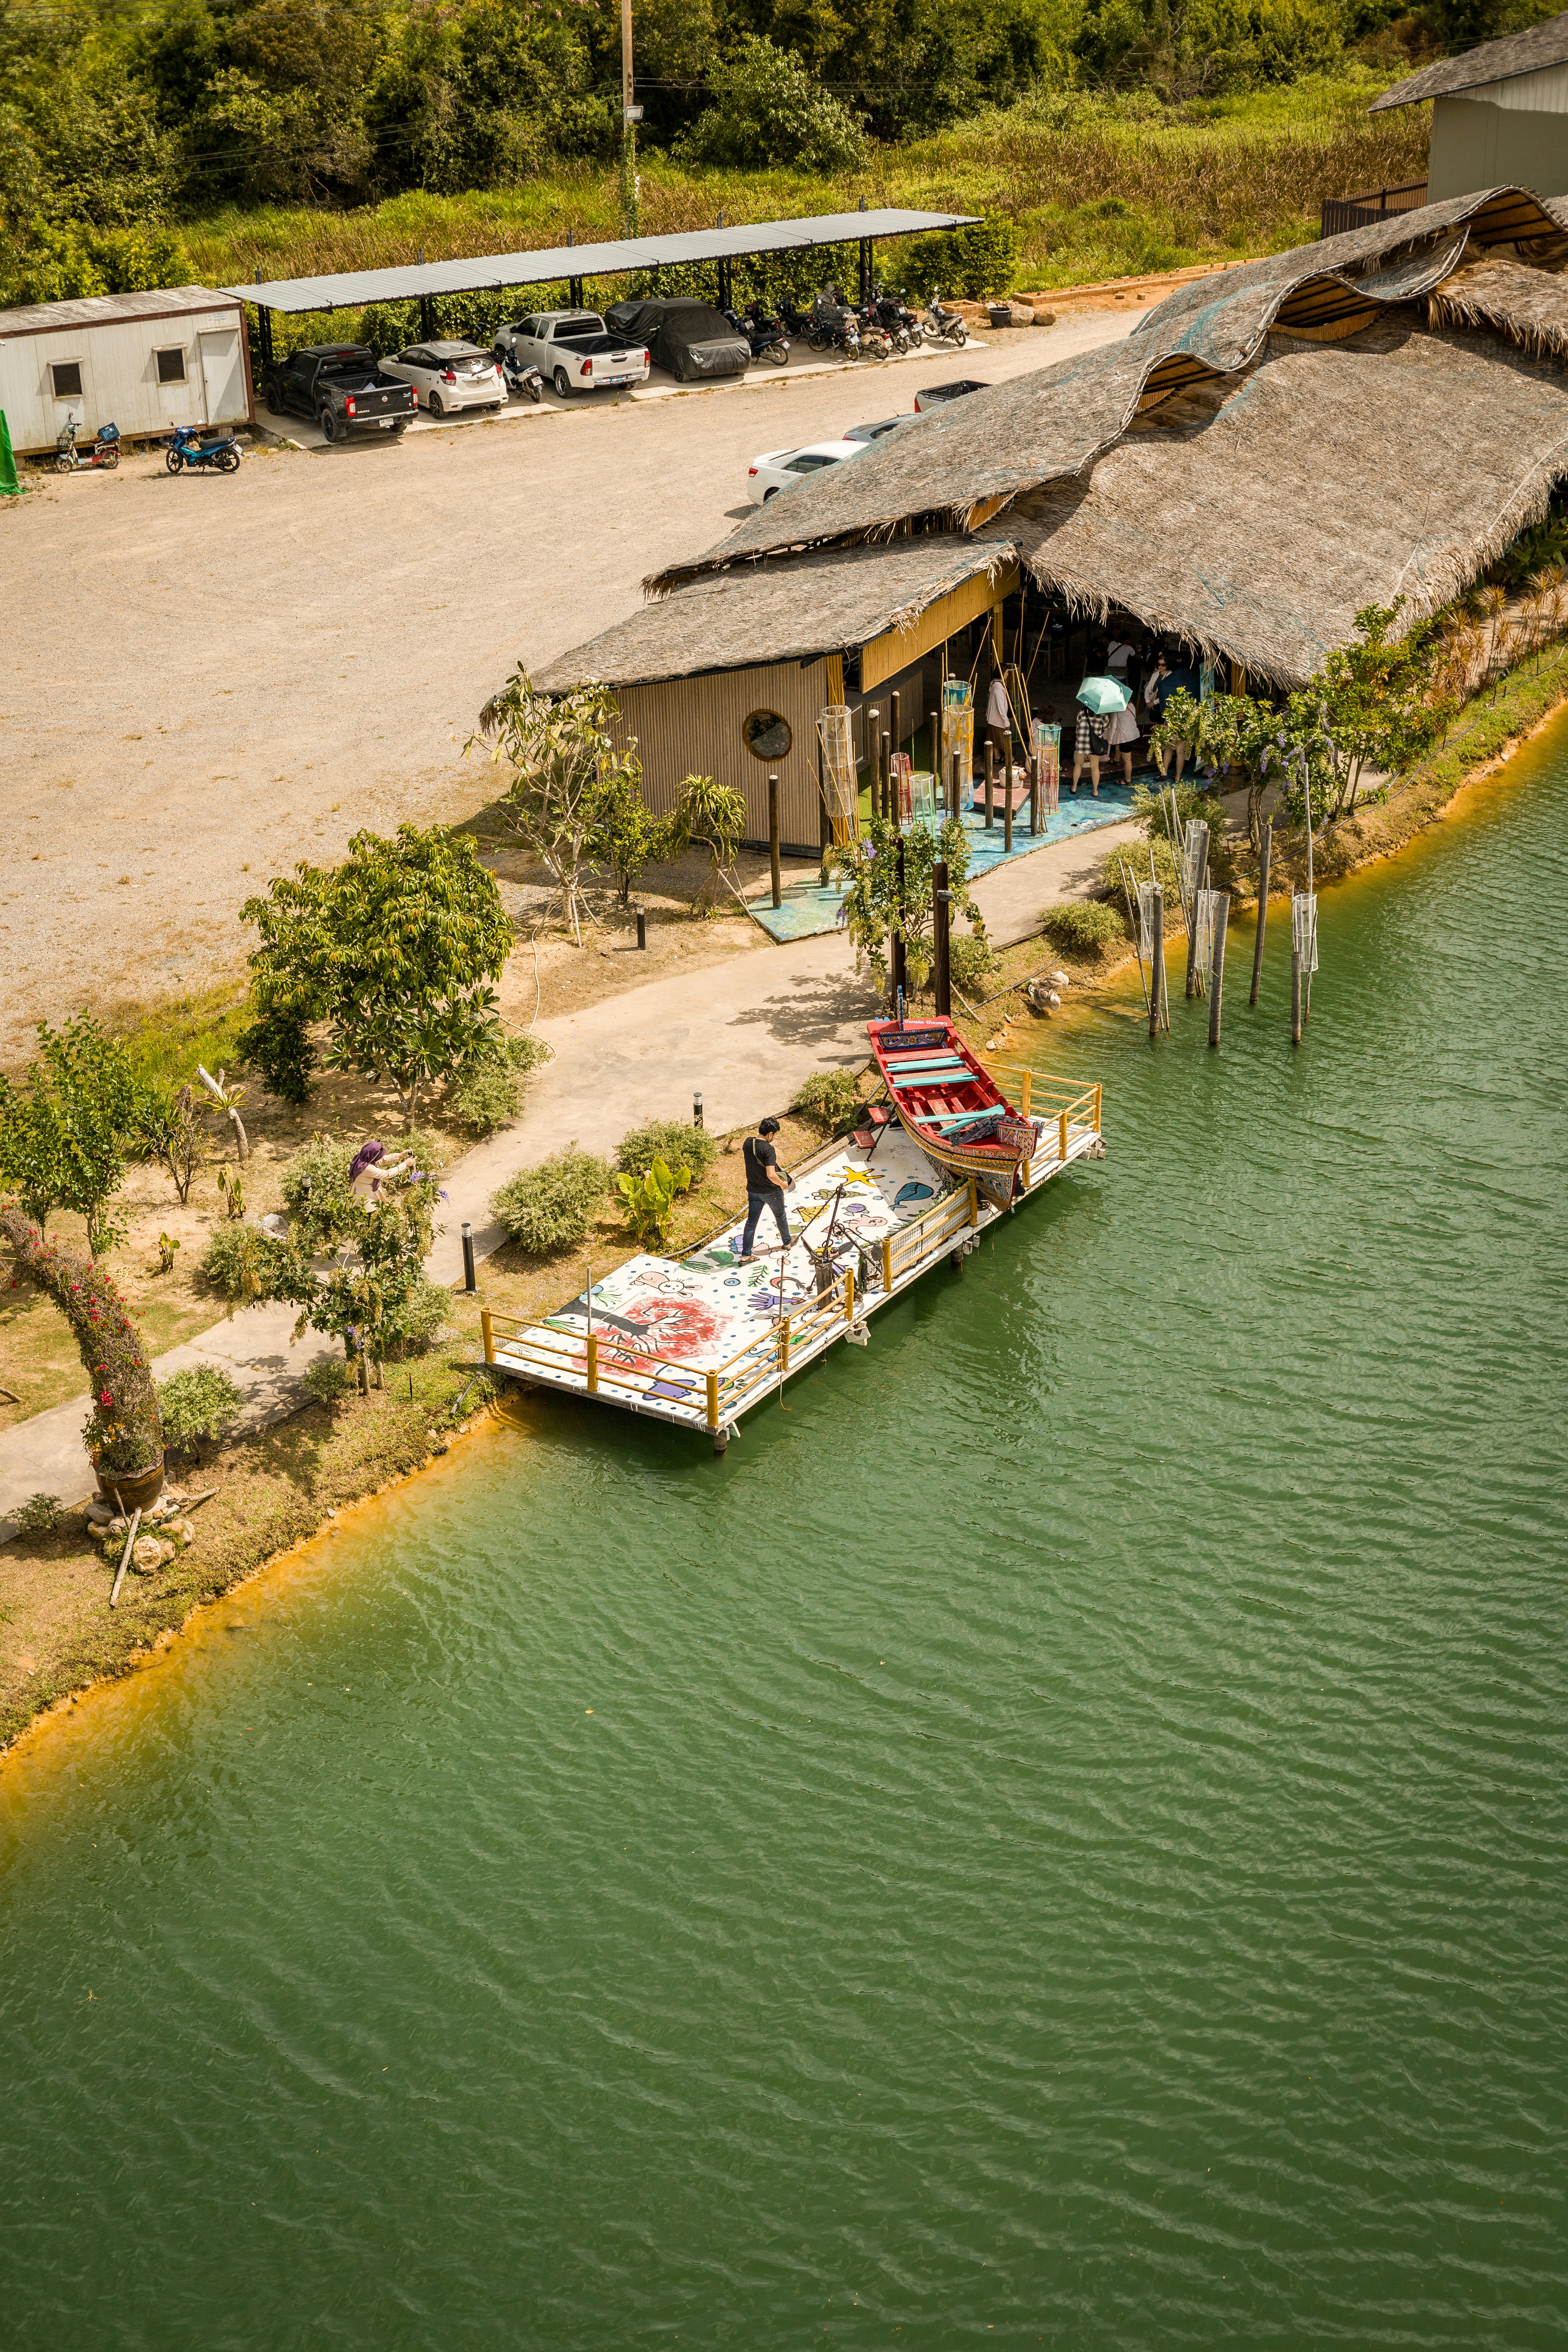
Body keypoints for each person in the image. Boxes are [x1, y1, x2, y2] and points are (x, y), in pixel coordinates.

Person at [738, 1117, 793, 1261]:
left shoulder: (748, 1142)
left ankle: (746, 1255)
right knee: (780, 1216)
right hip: (771, 1191)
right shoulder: (769, 1149)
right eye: (774, 1135)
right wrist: (783, 1184)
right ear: (770, 1134)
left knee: (751, 1223)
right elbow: (771, 1174)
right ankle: (787, 1243)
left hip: (753, 1191)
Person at [985, 670, 1012, 784]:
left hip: (993, 719)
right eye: (1006, 673)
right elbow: (1001, 709)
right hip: (998, 720)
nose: (1008, 675)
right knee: (1004, 742)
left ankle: (997, 758)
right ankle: (1011, 760)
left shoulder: (995, 684)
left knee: (993, 739)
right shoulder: (998, 690)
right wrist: (1007, 723)